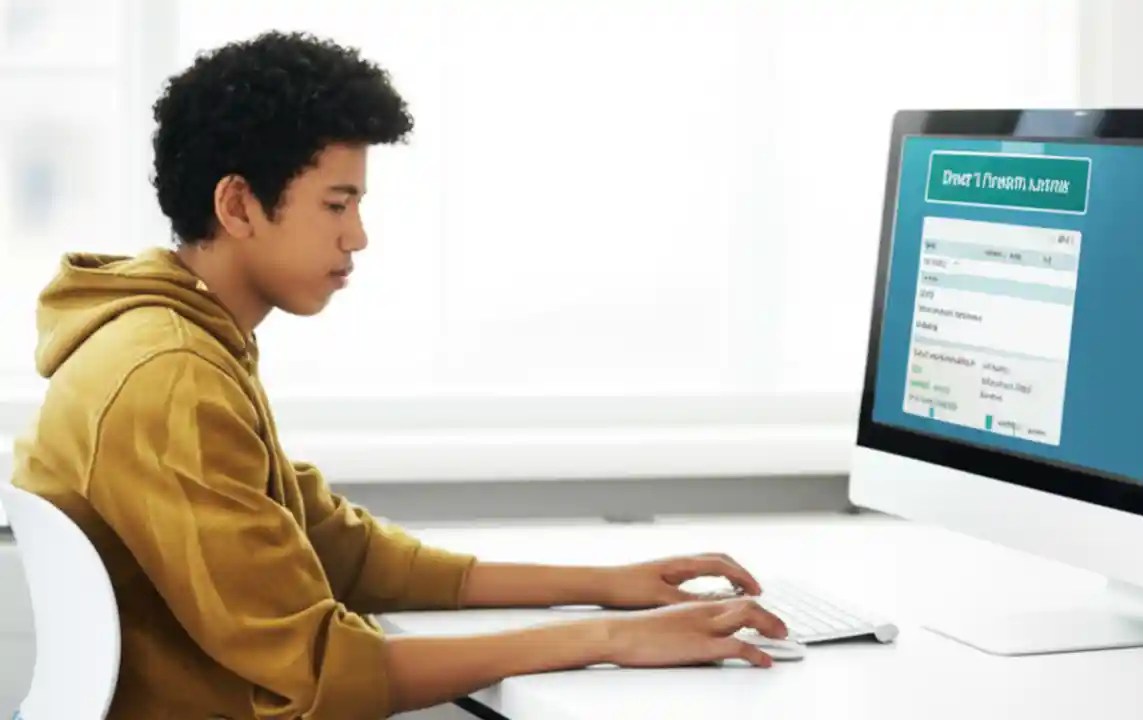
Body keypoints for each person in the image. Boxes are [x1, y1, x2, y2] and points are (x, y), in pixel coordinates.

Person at [10, 31, 788, 719]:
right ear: (239, 205)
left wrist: (605, 584)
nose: (358, 236)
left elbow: (342, 552)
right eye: (336, 204)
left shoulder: (182, 340)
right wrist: (611, 640)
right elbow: (323, 671)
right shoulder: (170, 375)